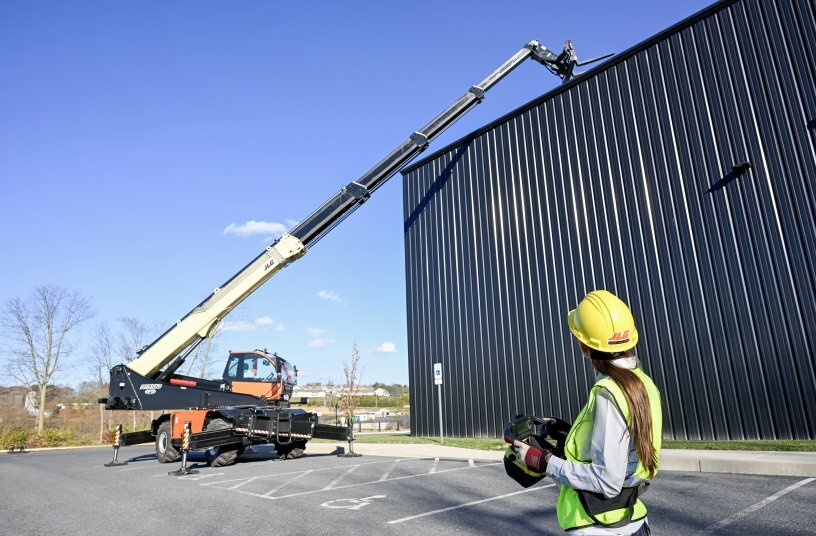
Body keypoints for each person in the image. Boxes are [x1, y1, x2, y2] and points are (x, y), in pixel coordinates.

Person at [512, 290, 662, 535]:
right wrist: (569, 432)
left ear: (584, 345)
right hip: (631, 520)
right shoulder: (644, 385)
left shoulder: (608, 392)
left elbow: (607, 481)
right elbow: (624, 446)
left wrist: (544, 461)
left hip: (597, 526)